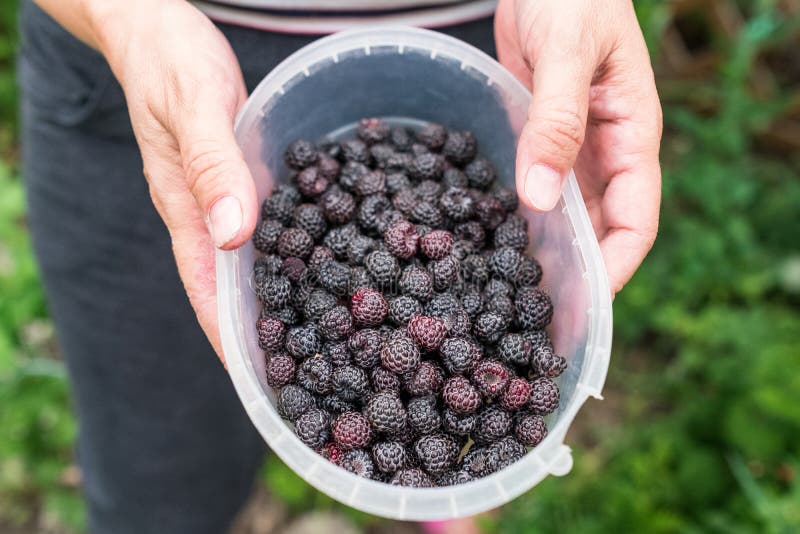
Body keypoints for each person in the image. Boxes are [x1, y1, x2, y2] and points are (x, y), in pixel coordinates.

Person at [18, 0, 661, 532]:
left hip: (490, 41)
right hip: (150, 49)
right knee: (158, 474)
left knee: (435, 454)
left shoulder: (433, 285)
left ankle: (430, 496)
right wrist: (126, 20)